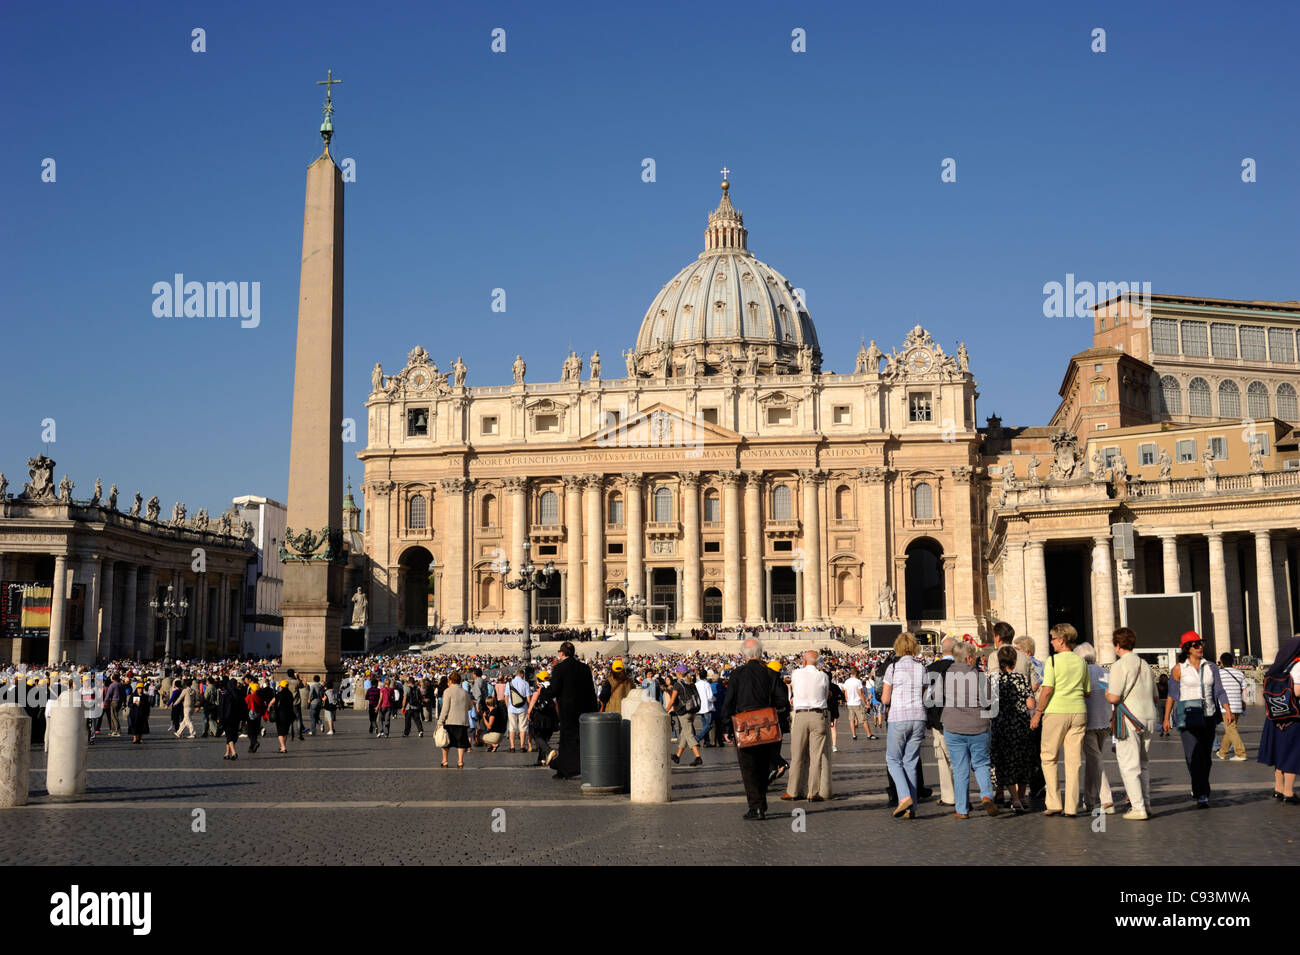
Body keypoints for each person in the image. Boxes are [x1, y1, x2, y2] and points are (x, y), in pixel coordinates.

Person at [721, 637, 790, 820]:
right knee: (764, 767)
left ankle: (756, 807)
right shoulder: (770, 673)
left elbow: (729, 702)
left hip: (744, 726)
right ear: (760, 654)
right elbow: (782, 700)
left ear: (743, 655)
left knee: (749, 768)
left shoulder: (736, 674)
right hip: (767, 726)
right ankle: (761, 803)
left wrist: (727, 727)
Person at [1163, 630, 1232, 808]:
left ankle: (1199, 785)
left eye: (1201, 644)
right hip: (1187, 716)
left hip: (1209, 715)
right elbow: (1172, 695)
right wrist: (1166, 718)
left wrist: (1227, 709)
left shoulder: (1211, 667)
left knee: (1206, 757)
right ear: (1188, 648)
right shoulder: (1178, 669)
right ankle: (1202, 792)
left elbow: (1219, 690)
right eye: (1196, 645)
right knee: (1192, 755)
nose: (1200, 647)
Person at [1030, 623, 1090, 817]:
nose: (1051, 642)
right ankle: (1071, 807)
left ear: (1062, 640)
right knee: (1074, 761)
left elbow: (1047, 690)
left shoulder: (1053, 661)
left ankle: (1054, 803)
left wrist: (1038, 712)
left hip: (1056, 712)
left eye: (1053, 638)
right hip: (1079, 712)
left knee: (1049, 757)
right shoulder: (1082, 662)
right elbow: (1087, 691)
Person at [1106, 627, 1159, 820]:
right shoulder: (1145, 665)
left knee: (1129, 765)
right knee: (1143, 764)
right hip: (1149, 717)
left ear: (1117, 645)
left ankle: (1138, 807)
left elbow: (1113, 697)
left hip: (1130, 719)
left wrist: (1106, 693)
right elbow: (1155, 696)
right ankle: (1146, 803)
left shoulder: (1119, 665)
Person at [941, 641, 997, 818]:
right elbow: (988, 700)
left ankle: (962, 809)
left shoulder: (946, 675)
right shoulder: (979, 676)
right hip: (978, 726)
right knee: (981, 764)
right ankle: (986, 795)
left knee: (960, 769)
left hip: (953, 726)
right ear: (969, 658)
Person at [881, 632, 927, 819]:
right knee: (911, 762)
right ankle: (911, 808)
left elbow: (885, 699)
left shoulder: (892, 668)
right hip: (919, 717)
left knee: (893, 760)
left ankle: (905, 796)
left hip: (899, 716)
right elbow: (924, 694)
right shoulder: (921, 668)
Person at [544, 642, 599, 780]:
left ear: (562, 653)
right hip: (584, 709)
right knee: (582, 739)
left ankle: (566, 769)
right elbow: (591, 691)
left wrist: (543, 693)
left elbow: (554, 689)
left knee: (566, 740)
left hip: (567, 710)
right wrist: (594, 709)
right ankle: (581, 765)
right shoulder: (584, 668)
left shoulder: (559, 668)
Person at [989, 645, 1035, 813]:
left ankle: (1014, 798)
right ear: (1014, 662)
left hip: (1001, 725)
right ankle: (1022, 796)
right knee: (1023, 759)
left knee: (1005, 761)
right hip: (1020, 724)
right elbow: (1031, 704)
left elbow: (989, 704)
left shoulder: (993, 680)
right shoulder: (1021, 679)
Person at [781, 650, 830, 802]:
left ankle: (792, 791)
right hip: (818, 715)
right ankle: (813, 792)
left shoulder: (796, 673)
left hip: (801, 715)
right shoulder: (823, 676)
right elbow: (825, 694)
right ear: (818, 662)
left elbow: (794, 689)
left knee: (797, 756)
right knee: (816, 757)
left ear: (803, 661)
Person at [1258, 634, 1300, 804]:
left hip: (1275, 715)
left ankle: (1279, 788)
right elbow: (1296, 691)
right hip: (1293, 715)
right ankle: (1288, 792)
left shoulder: (1281, 665)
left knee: (1280, 751)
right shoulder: (1298, 665)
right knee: (1293, 753)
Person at [1074, 642, 1115, 815]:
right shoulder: (1106, 672)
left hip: (1088, 722)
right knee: (1093, 759)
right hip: (1105, 721)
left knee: (1095, 760)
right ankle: (1089, 800)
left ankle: (1106, 799)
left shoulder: (1079, 673)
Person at [925, 637, 958, 807]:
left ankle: (949, 796)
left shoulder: (931, 668)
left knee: (943, 758)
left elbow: (927, 698)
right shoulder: (963, 668)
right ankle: (962, 796)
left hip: (939, 719)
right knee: (959, 758)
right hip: (960, 719)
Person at [667, 664, 704, 767]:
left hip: (684, 713)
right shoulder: (691, 683)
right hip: (693, 711)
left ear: (679, 673)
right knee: (684, 734)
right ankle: (677, 756)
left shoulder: (678, 684)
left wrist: (666, 710)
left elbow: (672, 700)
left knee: (689, 734)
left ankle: (698, 757)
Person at [1215, 653, 1249, 761]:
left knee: (1231, 729)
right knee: (1230, 729)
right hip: (1238, 705)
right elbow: (1244, 690)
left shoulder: (1219, 673)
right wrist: (1244, 703)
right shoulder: (1240, 673)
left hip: (1226, 706)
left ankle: (1240, 753)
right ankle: (1222, 752)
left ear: (1221, 662)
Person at [437, 671, 472, 768]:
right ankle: (460, 761)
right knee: (461, 742)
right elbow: (470, 706)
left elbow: (445, 708)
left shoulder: (447, 691)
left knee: (446, 742)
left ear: (450, 680)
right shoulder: (465, 692)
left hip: (450, 720)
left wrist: (440, 721)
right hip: (462, 721)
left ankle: (445, 761)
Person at [527, 670, 558, 766]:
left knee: (537, 735)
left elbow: (534, 699)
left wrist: (529, 712)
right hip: (551, 715)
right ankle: (541, 759)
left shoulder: (539, 687)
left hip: (540, 715)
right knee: (544, 737)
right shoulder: (552, 687)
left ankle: (549, 751)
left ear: (539, 679)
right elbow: (556, 702)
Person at [842, 667, 875, 740]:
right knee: (863, 719)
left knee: (851, 720)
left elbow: (845, 693)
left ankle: (854, 735)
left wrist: (847, 700)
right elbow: (861, 693)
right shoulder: (858, 681)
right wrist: (866, 704)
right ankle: (869, 734)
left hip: (850, 703)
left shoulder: (847, 681)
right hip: (857, 703)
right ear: (856, 673)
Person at [507, 666, 532, 752]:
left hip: (511, 708)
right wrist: (530, 708)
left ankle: (512, 747)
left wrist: (508, 706)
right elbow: (528, 698)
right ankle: (522, 747)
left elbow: (506, 696)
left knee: (512, 728)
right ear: (522, 674)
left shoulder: (509, 683)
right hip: (523, 708)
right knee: (523, 727)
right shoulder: (526, 683)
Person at [218, 677, 243, 761]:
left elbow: (221, 707)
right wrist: (244, 718)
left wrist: (220, 719)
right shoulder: (238, 693)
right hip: (236, 718)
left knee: (229, 735)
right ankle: (227, 753)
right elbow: (243, 706)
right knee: (233, 735)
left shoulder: (225, 694)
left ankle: (234, 753)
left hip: (227, 718)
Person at [272, 680, 295, 753]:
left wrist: (270, 707)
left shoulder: (279, 694)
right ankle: (283, 746)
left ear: (281, 686)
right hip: (289, 714)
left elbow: (273, 702)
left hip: (280, 715)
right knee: (285, 732)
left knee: (280, 732)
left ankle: (283, 747)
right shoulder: (290, 694)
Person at [694, 668, 716, 745]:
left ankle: (707, 741)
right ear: (706, 676)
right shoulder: (707, 684)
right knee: (709, 725)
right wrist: (715, 699)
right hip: (707, 707)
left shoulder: (696, 684)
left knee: (704, 725)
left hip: (700, 707)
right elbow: (710, 697)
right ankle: (698, 737)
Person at [244, 680, 265, 753]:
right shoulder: (260, 697)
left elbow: (245, 704)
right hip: (258, 716)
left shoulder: (250, 696)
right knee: (255, 732)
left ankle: (255, 742)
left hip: (251, 716)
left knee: (250, 732)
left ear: (253, 690)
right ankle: (251, 747)